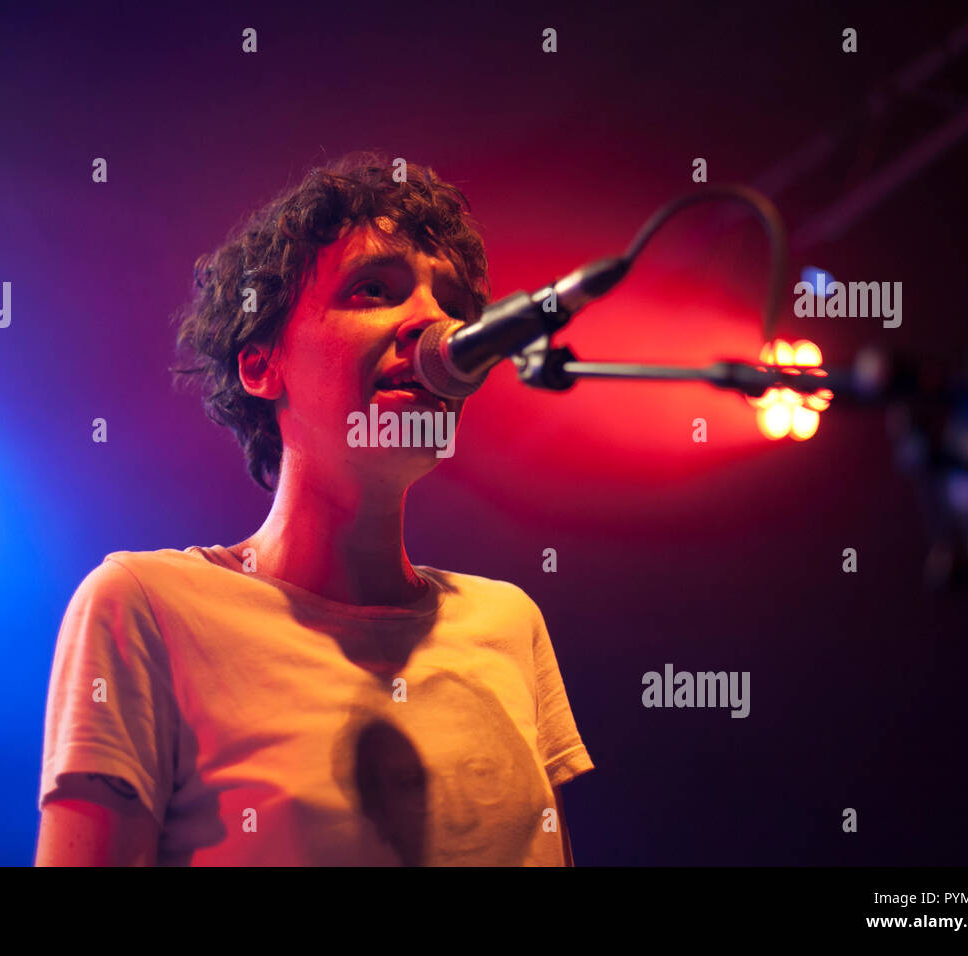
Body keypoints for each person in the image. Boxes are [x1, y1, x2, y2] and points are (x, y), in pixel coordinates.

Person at [34, 151, 593, 865]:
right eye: (373, 289)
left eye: (452, 304)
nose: (433, 323)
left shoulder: (511, 623)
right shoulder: (145, 608)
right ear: (261, 361)